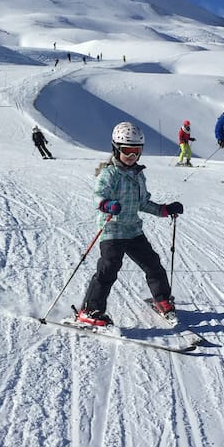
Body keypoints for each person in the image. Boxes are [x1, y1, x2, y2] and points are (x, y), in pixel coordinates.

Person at [76, 121, 183, 327]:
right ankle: (90, 310)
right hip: (113, 230)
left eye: (137, 151)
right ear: (116, 149)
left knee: (153, 264)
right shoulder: (110, 174)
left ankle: (162, 300)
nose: (132, 156)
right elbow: (98, 195)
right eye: (127, 151)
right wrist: (106, 204)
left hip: (133, 230)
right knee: (108, 269)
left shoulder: (138, 174)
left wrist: (164, 209)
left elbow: (142, 203)